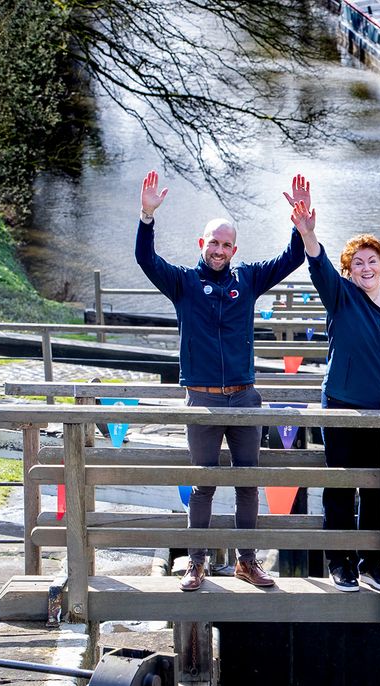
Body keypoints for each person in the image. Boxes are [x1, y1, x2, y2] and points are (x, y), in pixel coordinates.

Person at [136, 170, 306, 592]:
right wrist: (146, 215)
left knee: (248, 483)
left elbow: (292, 259)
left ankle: (247, 562)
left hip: (246, 399)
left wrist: (298, 222)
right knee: (203, 484)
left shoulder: (246, 278)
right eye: (213, 242)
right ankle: (197, 562)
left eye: (227, 244)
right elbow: (146, 260)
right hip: (203, 400)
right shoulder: (183, 283)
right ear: (202, 243)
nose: (219, 250)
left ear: (234, 249)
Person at [288, 182, 380, 593]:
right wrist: (308, 234)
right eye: (356, 263)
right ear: (348, 270)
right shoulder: (340, 296)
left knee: (378, 491)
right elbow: (318, 267)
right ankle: (339, 563)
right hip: (343, 407)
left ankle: (371, 563)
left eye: (371, 261)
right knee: (341, 488)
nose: (365, 268)